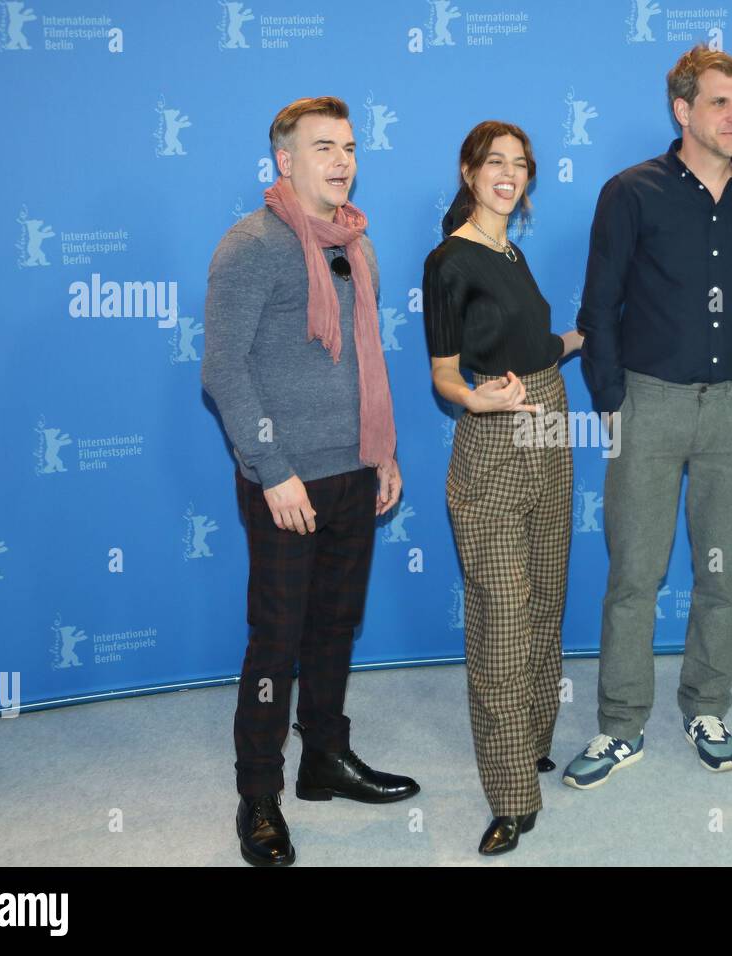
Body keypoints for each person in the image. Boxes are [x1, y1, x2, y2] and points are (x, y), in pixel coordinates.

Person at [563, 45, 732, 789]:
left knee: (720, 573)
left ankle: (707, 707)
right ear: (683, 111)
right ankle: (620, 726)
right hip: (650, 403)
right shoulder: (630, 192)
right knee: (635, 576)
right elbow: (598, 306)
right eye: (719, 103)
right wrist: (610, 403)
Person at [203, 96, 420, 868]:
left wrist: (383, 451)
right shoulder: (251, 245)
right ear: (283, 162)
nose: (342, 160)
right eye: (323, 146)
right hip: (286, 485)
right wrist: (273, 471)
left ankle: (325, 760)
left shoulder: (355, 246)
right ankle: (258, 795)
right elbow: (224, 372)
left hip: (353, 472)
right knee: (277, 642)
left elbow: (364, 361)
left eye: (351, 147)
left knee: (334, 628)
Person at [423, 121, 582, 855]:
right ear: (468, 169)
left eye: (521, 165)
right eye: (496, 162)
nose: (509, 175)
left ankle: (534, 739)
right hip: (494, 436)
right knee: (501, 618)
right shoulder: (449, 260)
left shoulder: (512, 252)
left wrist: (583, 336)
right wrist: (475, 400)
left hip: (549, 420)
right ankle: (513, 795)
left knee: (548, 593)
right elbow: (445, 374)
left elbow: (534, 343)